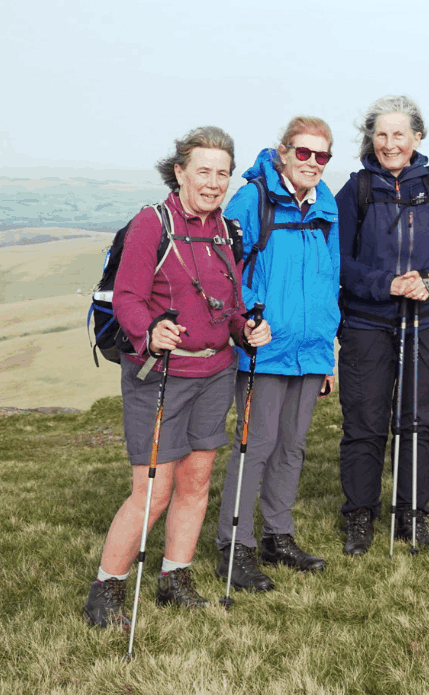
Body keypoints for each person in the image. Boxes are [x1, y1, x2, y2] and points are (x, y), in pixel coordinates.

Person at [84, 127, 271, 628]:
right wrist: (151, 329)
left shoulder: (223, 230)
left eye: (222, 173)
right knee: (154, 489)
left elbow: (228, 305)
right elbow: (126, 297)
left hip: (214, 370)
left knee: (197, 480)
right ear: (181, 171)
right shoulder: (152, 224)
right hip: (160, 373)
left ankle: (175, 577)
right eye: (203, 171)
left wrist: (245, 328)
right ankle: (106, 588)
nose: (213, 182)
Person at [214, 117, 340, 592]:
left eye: (321, 155)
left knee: (292, 446)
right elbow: (229, 271)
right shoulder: (252, 199)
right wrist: (245, 322)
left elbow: (332, 278)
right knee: (254, 447)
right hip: (264, 349)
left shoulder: (325, 203)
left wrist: (327, 351)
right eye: (303, 153)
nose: (311, 162)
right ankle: (235, 547)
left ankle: (278, 537)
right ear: (283, 151)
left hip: (309, 349)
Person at [336, 96, 429, 556]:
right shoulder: (356, 192)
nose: (390, 144)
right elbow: (341, 264)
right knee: (365, 421)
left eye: (399, 134)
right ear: (371, 139)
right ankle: (360, 517)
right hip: (368, 323)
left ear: (417, 138)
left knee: (416, 421)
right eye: (381, 135)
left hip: (426, 322)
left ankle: (412, 515)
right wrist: (386, 284)